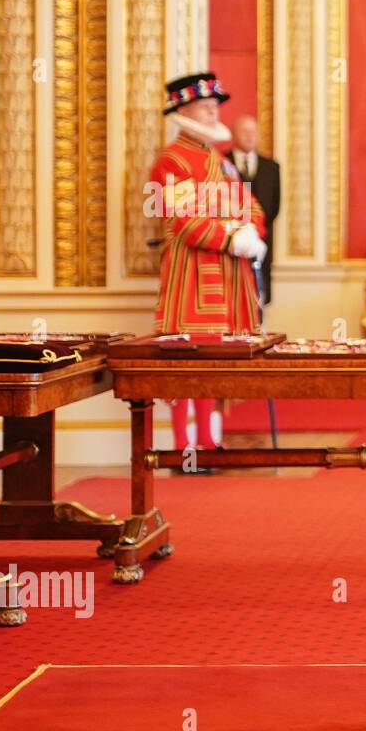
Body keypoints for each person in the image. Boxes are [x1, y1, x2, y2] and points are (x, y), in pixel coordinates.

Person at [151, 72, 267, 462]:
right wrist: (232, 239)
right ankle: (184, 446)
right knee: (186, 361)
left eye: (215, 106)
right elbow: (185, 220)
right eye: (205, 106)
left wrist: (253, 230)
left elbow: (248, 204)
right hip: (194, 274)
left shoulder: (221, 160)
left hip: (229, 275)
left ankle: (208, 440)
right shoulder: (173, 160)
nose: (213, 111)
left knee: (214, 360)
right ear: (184, 111)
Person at [228, 115, 281, 307]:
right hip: (230, 245)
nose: (250, 136)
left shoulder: (272, 168)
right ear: (233, 134)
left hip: (262, 243)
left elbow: (274, 207)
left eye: (254, 132)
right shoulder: (221, 164)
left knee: (259, 299)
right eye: (245, 131)